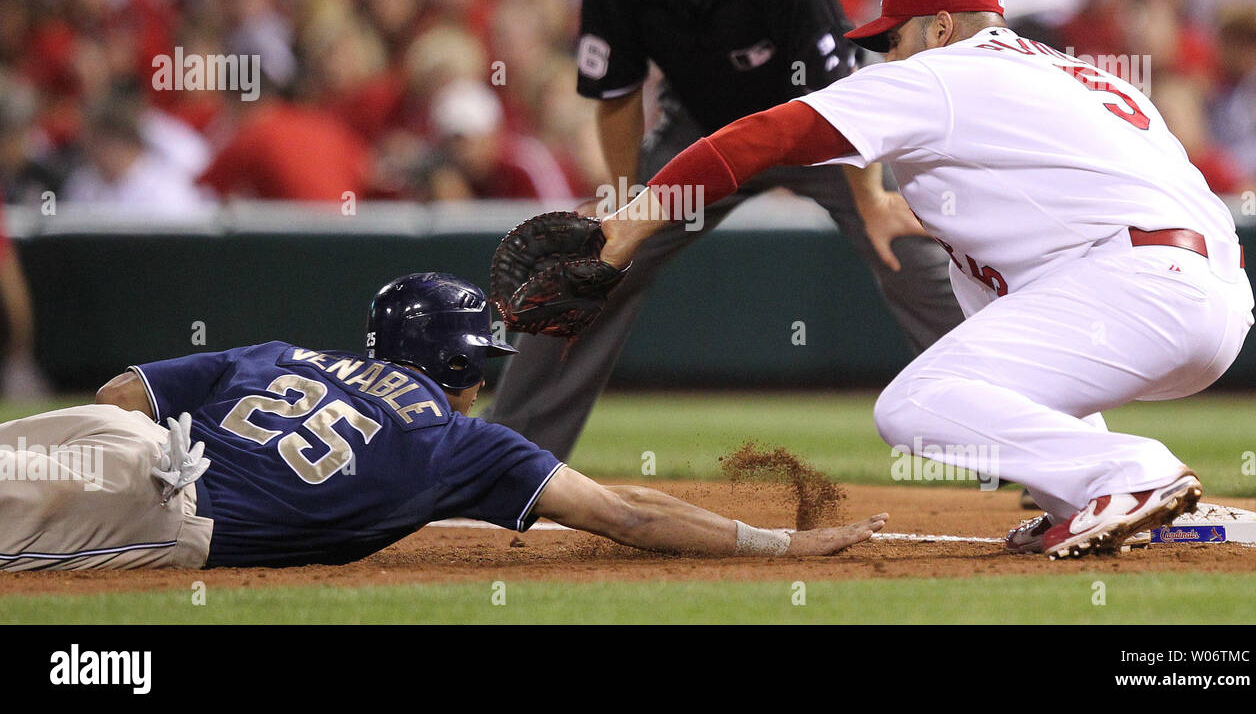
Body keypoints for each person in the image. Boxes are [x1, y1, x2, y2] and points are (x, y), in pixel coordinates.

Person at [590, 0, 1254, 560]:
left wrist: (633, 221)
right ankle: (1100, 499)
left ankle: (1133, 473)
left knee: (913, 403)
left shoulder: (944, 73)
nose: (883, 57)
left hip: (1138, 286)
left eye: (891, 39)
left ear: (938, 29)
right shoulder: (1081, 75)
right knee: (993, 327)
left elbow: (765, 134)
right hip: (1208, 295)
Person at [483, 0, 963, 459]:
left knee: (905, 248)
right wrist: (624, 199)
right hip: (702, 136)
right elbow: (618, 95)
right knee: (598, 262)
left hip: (811, 128)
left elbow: (842, 98)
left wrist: (872, 199)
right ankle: (506, 451)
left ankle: (1003, 434)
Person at [0, 272, 886, 570]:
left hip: (121, 443)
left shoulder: (280, 352)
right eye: (478, 363)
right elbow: (626, 511)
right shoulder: (461, 441)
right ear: (456, 365)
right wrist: (776, 544)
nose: (481, 381)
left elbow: (122, 396)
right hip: (159, 509)